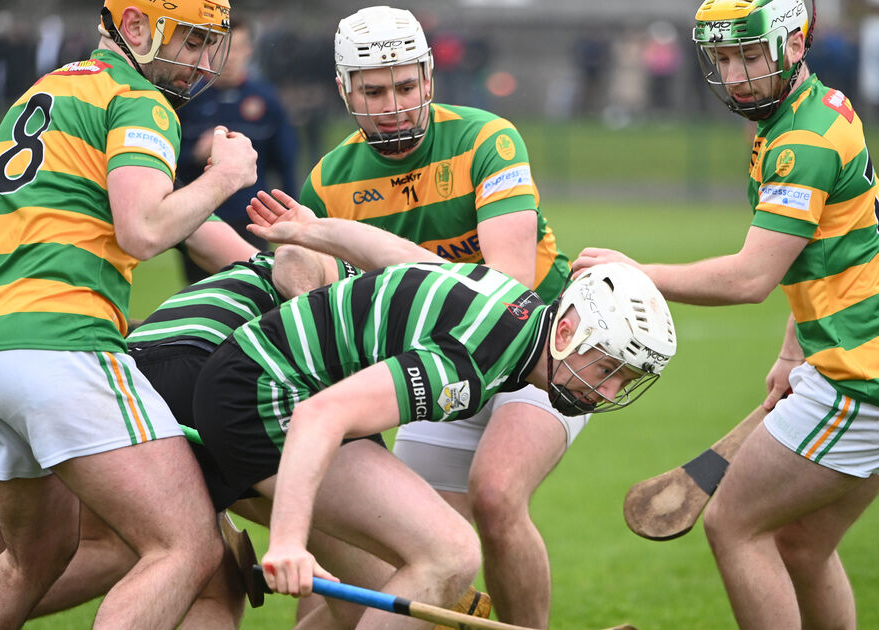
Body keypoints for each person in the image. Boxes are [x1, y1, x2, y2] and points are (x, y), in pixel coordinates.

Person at [574, 2, 879, 628]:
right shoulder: (814, 108)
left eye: (750, 55)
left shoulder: (799, 141)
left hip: (867, 381)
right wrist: (789, 353)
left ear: (795, 46)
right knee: (803, 546)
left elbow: (753, 277)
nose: (737, 74)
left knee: (734, 526)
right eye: (724, 58)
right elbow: (821, 259)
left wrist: (638, 271)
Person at [0, 1, 258, 628]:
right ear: (135, 27)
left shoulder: (48, 90)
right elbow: (142, 229)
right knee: (186, 545)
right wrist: (225, 176)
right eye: (188, 41)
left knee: (31, 559)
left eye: (206, 43)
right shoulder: (140, 100)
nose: (199, 61)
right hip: (60, 346)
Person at [187, 231, 677, 628]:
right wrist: (289, 542)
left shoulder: (519, 308)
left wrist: (308, 231)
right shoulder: (474, 358)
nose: (610, 393)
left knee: (386, 593)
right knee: (449, 553)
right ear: (567, 333)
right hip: (262, 395)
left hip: (267, 383)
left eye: (626, 381)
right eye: (608, 369)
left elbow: (403, 257)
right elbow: (321, 415)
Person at [299, 6, 579, 625]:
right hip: (440, 365)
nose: (393, 103)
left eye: (405, 85)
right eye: (373, 90)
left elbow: (506, 291)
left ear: (428, 78)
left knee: (497, 494)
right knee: (415, 551)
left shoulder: (487, 139)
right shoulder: (329, 181)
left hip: (536, 351)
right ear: (345, 90)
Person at [175, 16, 299, 283]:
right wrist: (195, 154)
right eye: (223, 48)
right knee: (198, 303)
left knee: (252, 299)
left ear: (249, 51)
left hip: (252, 221)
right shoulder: (187, 99)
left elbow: (286, 164)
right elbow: (168, 166)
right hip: (199, 221)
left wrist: (292, 222)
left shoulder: (266, 101)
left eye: (237, 48)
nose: (229, 58)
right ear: (210, 50)